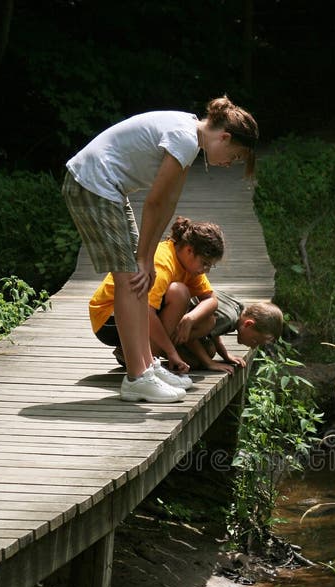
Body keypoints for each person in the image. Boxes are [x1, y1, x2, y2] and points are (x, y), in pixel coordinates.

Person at [62, 96, 258, 402]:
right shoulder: (184, 138)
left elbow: (168, 203)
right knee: (130, 279)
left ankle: (146, 368)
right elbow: (153, 202)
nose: (229, 163)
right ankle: (137, 377)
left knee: (140, 279)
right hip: (92, 185)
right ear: (225, 137)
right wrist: (143, 257)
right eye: (234, 155)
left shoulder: (189, 140)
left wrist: (147, 259)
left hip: (110, 191)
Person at [89, 216, 224, 387]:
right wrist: (171, 352)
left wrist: (190, 319)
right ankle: (147, 360)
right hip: (110, 318)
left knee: (206, 322)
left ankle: (133, 352)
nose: (206, 270)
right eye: (205, 264)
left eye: (210, 266)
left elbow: (211, 300)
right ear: (189, 250)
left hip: (138, 314)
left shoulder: (188, 265)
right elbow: (146, 311)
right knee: (179, 292)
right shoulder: (163, 261)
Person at [175, 294, 283, 373]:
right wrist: (209, 363)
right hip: (173, 322)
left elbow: (215, 329)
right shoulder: (228, 319)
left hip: (183, 321)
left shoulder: (237, 309)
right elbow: (187, 332)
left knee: (210, 350)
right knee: (194, 361)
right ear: (248, 324)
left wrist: (225, 355)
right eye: (255, 341)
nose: (254, 346)